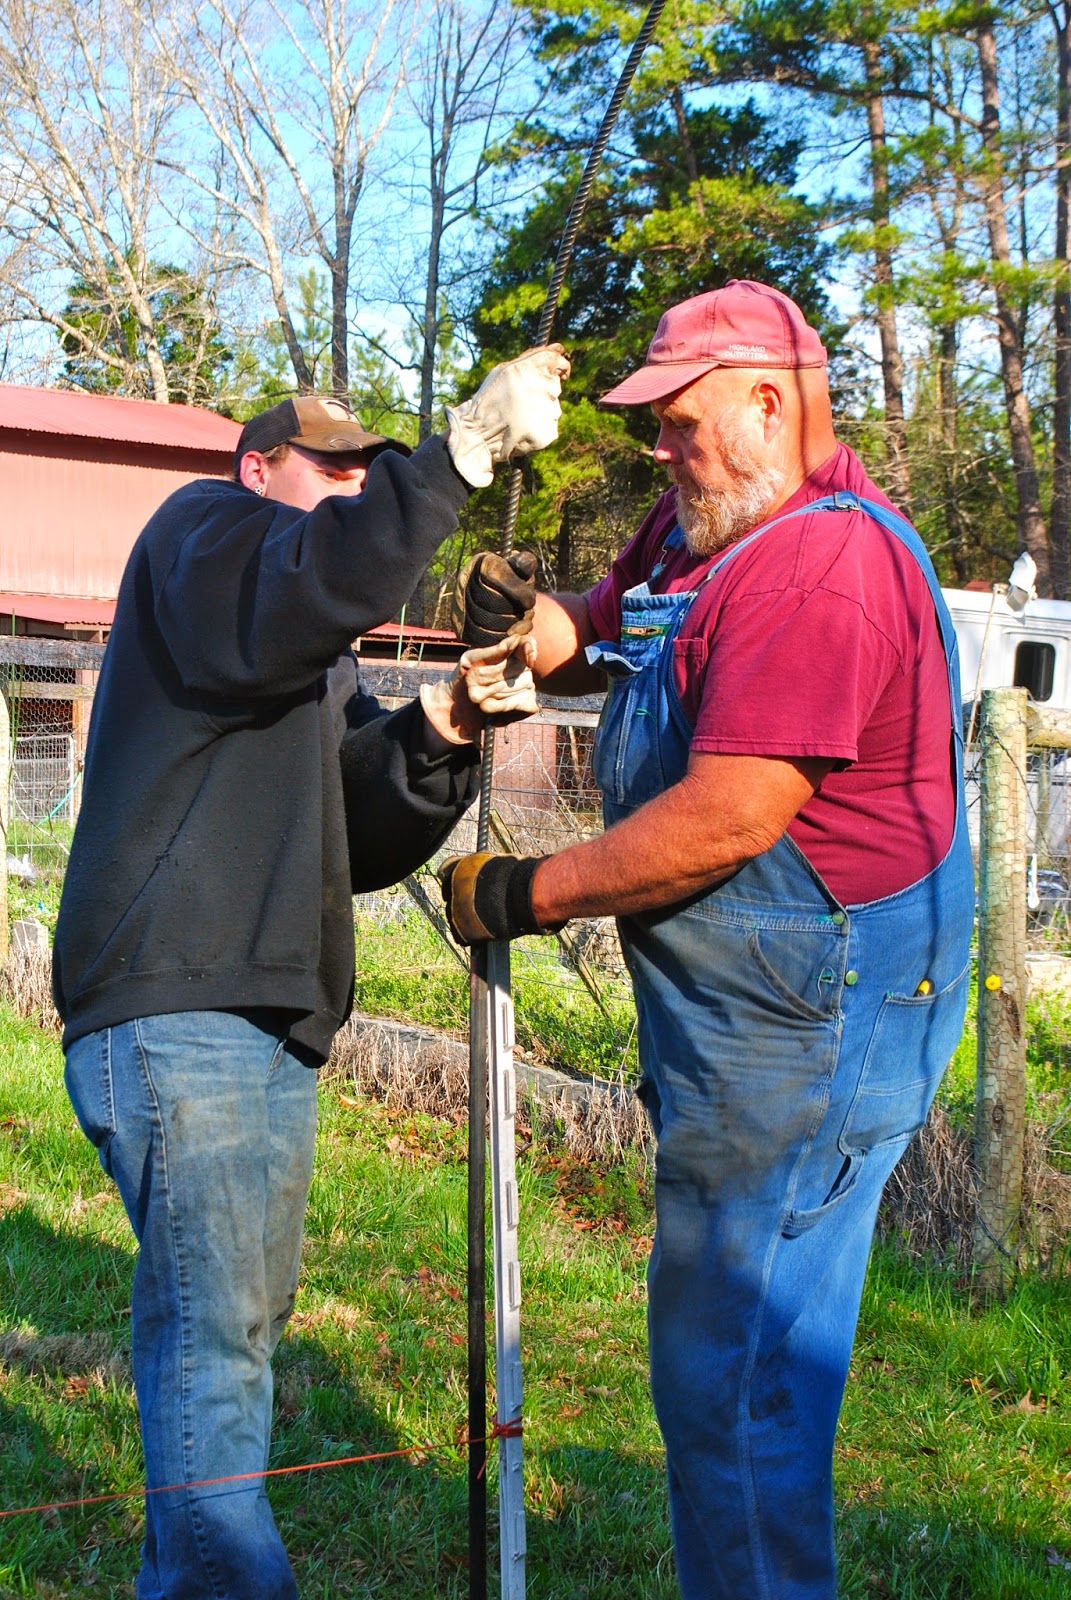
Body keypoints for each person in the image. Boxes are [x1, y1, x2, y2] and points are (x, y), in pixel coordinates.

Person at [442, 282, 974, 1600]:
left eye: (676, 424)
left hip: (816, 1024)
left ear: (766, 401)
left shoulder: (820, 563)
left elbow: (731, 817)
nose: (658, 451)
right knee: (741, 1373)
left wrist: (529, 892)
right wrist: (528, 622)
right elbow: (604, 627)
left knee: (735, 1384)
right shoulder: (700, 531)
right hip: (755, 1024)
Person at [53, 347, 567, 1600]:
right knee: (218, 1338)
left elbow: (361, 832)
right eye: (326, 469)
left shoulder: (296, 648)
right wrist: (453, 458)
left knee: (227, 1321)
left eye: (363, 472)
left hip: (256, 1019)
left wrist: (446, 724)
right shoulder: (203, 539)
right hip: (181, 1004)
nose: (348, 488)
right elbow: (305, 582)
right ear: (253, 468)